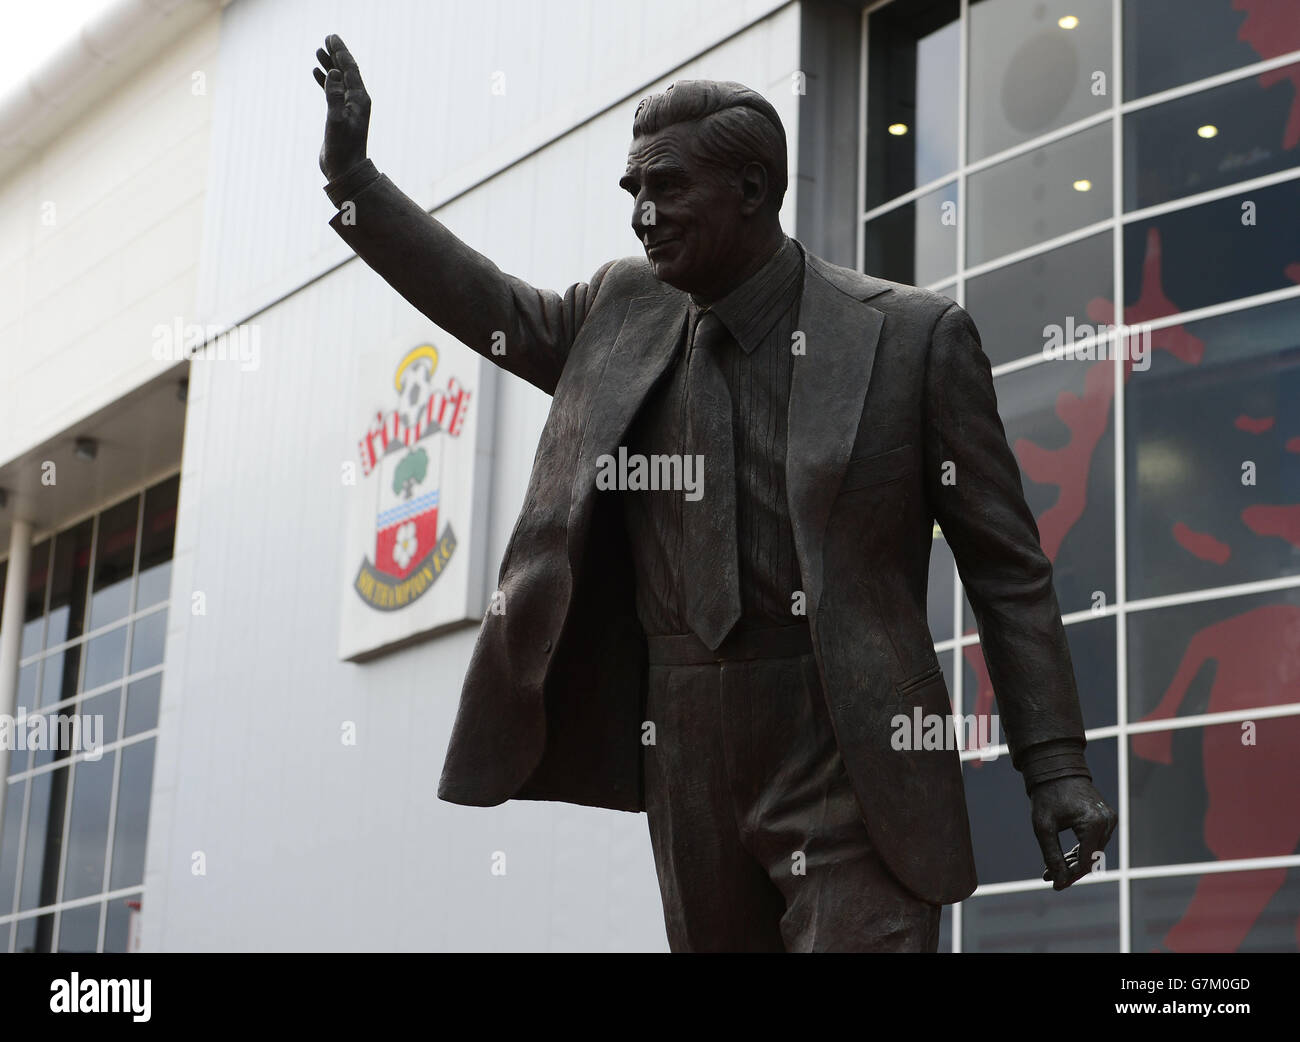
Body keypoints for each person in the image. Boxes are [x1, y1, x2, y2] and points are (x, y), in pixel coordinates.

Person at [313, 33, 1117, 952]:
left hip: (848, 736)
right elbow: (489, 308)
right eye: (635, 193)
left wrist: (1053, 764)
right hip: (685, 733)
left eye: (668, 188)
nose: (644, 216)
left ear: (753, 191)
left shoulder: (912, 339)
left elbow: (1006, 568)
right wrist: (356, 184)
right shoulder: (620, 310)